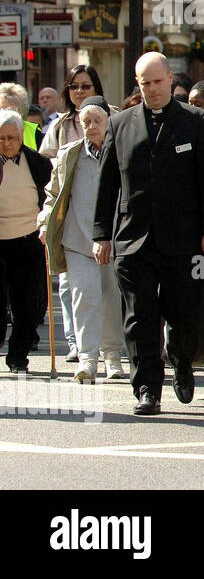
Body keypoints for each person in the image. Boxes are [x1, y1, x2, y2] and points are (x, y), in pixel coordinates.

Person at [92, 52, 204, 415]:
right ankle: (147, 388)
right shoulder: (119, 124)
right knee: (139, 317)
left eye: (157, 81)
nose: (151, 88)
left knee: (184, 314)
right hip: (132, 238)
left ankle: (181, 361)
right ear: (138, 83)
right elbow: (107, 184)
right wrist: (101, 234)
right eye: (143, 82)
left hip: (183, 238)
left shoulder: (196, 121)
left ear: (169, 80)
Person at [38, 99, 127, 382]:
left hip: (114, 240)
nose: (90, 127)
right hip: (78, 240)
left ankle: (113, 357)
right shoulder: (69, 155)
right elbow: (53, 194)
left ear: (109, 122)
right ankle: (88, 360)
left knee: (112, 300)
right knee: (84, 297)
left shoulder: (122, 153)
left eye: (96, 121)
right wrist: (44, 223)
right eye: (85, 122)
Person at [0, 109, 53, 373]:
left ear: (22, 137)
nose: (7, 143)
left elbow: (50, 199)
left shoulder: (39, 164)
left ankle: (18, 357)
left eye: (12, 138)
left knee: (26, 307)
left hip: (29, 241)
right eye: (1, 138)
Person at [0, 83, 43, 150]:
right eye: (2, 109)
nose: (6, 114)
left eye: (10, 110)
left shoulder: (34, 131)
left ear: (21, 110)